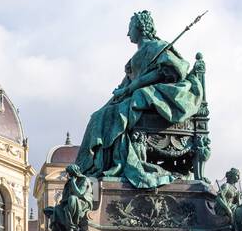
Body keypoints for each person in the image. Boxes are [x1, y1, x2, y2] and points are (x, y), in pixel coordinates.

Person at [74, 10, 204, 188]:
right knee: (99, 117)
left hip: (158, 98)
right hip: (134, 99)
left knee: (131, 102)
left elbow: (170, 72)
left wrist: (132, 87)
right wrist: (113, 99)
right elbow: (122, 88)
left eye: (130, 28)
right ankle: (89, 169)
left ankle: (118, 164)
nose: (128, 33)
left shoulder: (158, 47)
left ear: (140, 27)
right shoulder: (136, 58)